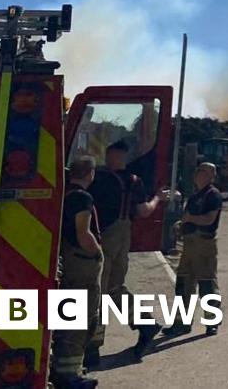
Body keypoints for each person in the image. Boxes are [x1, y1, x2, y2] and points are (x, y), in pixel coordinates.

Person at [86, 140, 167, 362]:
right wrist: (158, 197)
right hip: (123, 238)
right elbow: (143, 211)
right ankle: (146, 323)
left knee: (98, 291)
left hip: (104, 238)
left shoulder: (98, 178)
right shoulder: (135, 181)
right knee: (114, 288)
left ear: (113, 154)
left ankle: (91, 349)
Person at [52, 156, 101, 389]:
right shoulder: (82, 197)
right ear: (90, 173)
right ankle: (70, 375)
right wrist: (97, 252)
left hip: (67, 259)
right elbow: (84, 233)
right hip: (82, 262)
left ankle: (60, 367)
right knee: (79, 317)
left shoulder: (64, 192)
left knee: (66, 313)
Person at [165, 161, 224, 337]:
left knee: (207, 284)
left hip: (204, 244)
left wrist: (191, 218)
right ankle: (181, 323)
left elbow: (209, 219)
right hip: (189, 245)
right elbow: (187, 217)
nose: (198, 173)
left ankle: (212, 322)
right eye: (198, 170)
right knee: (184, 284)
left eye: (203, 171)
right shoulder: (195, 195)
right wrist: (180, 224)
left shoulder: (213, 195)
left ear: (211, 176)